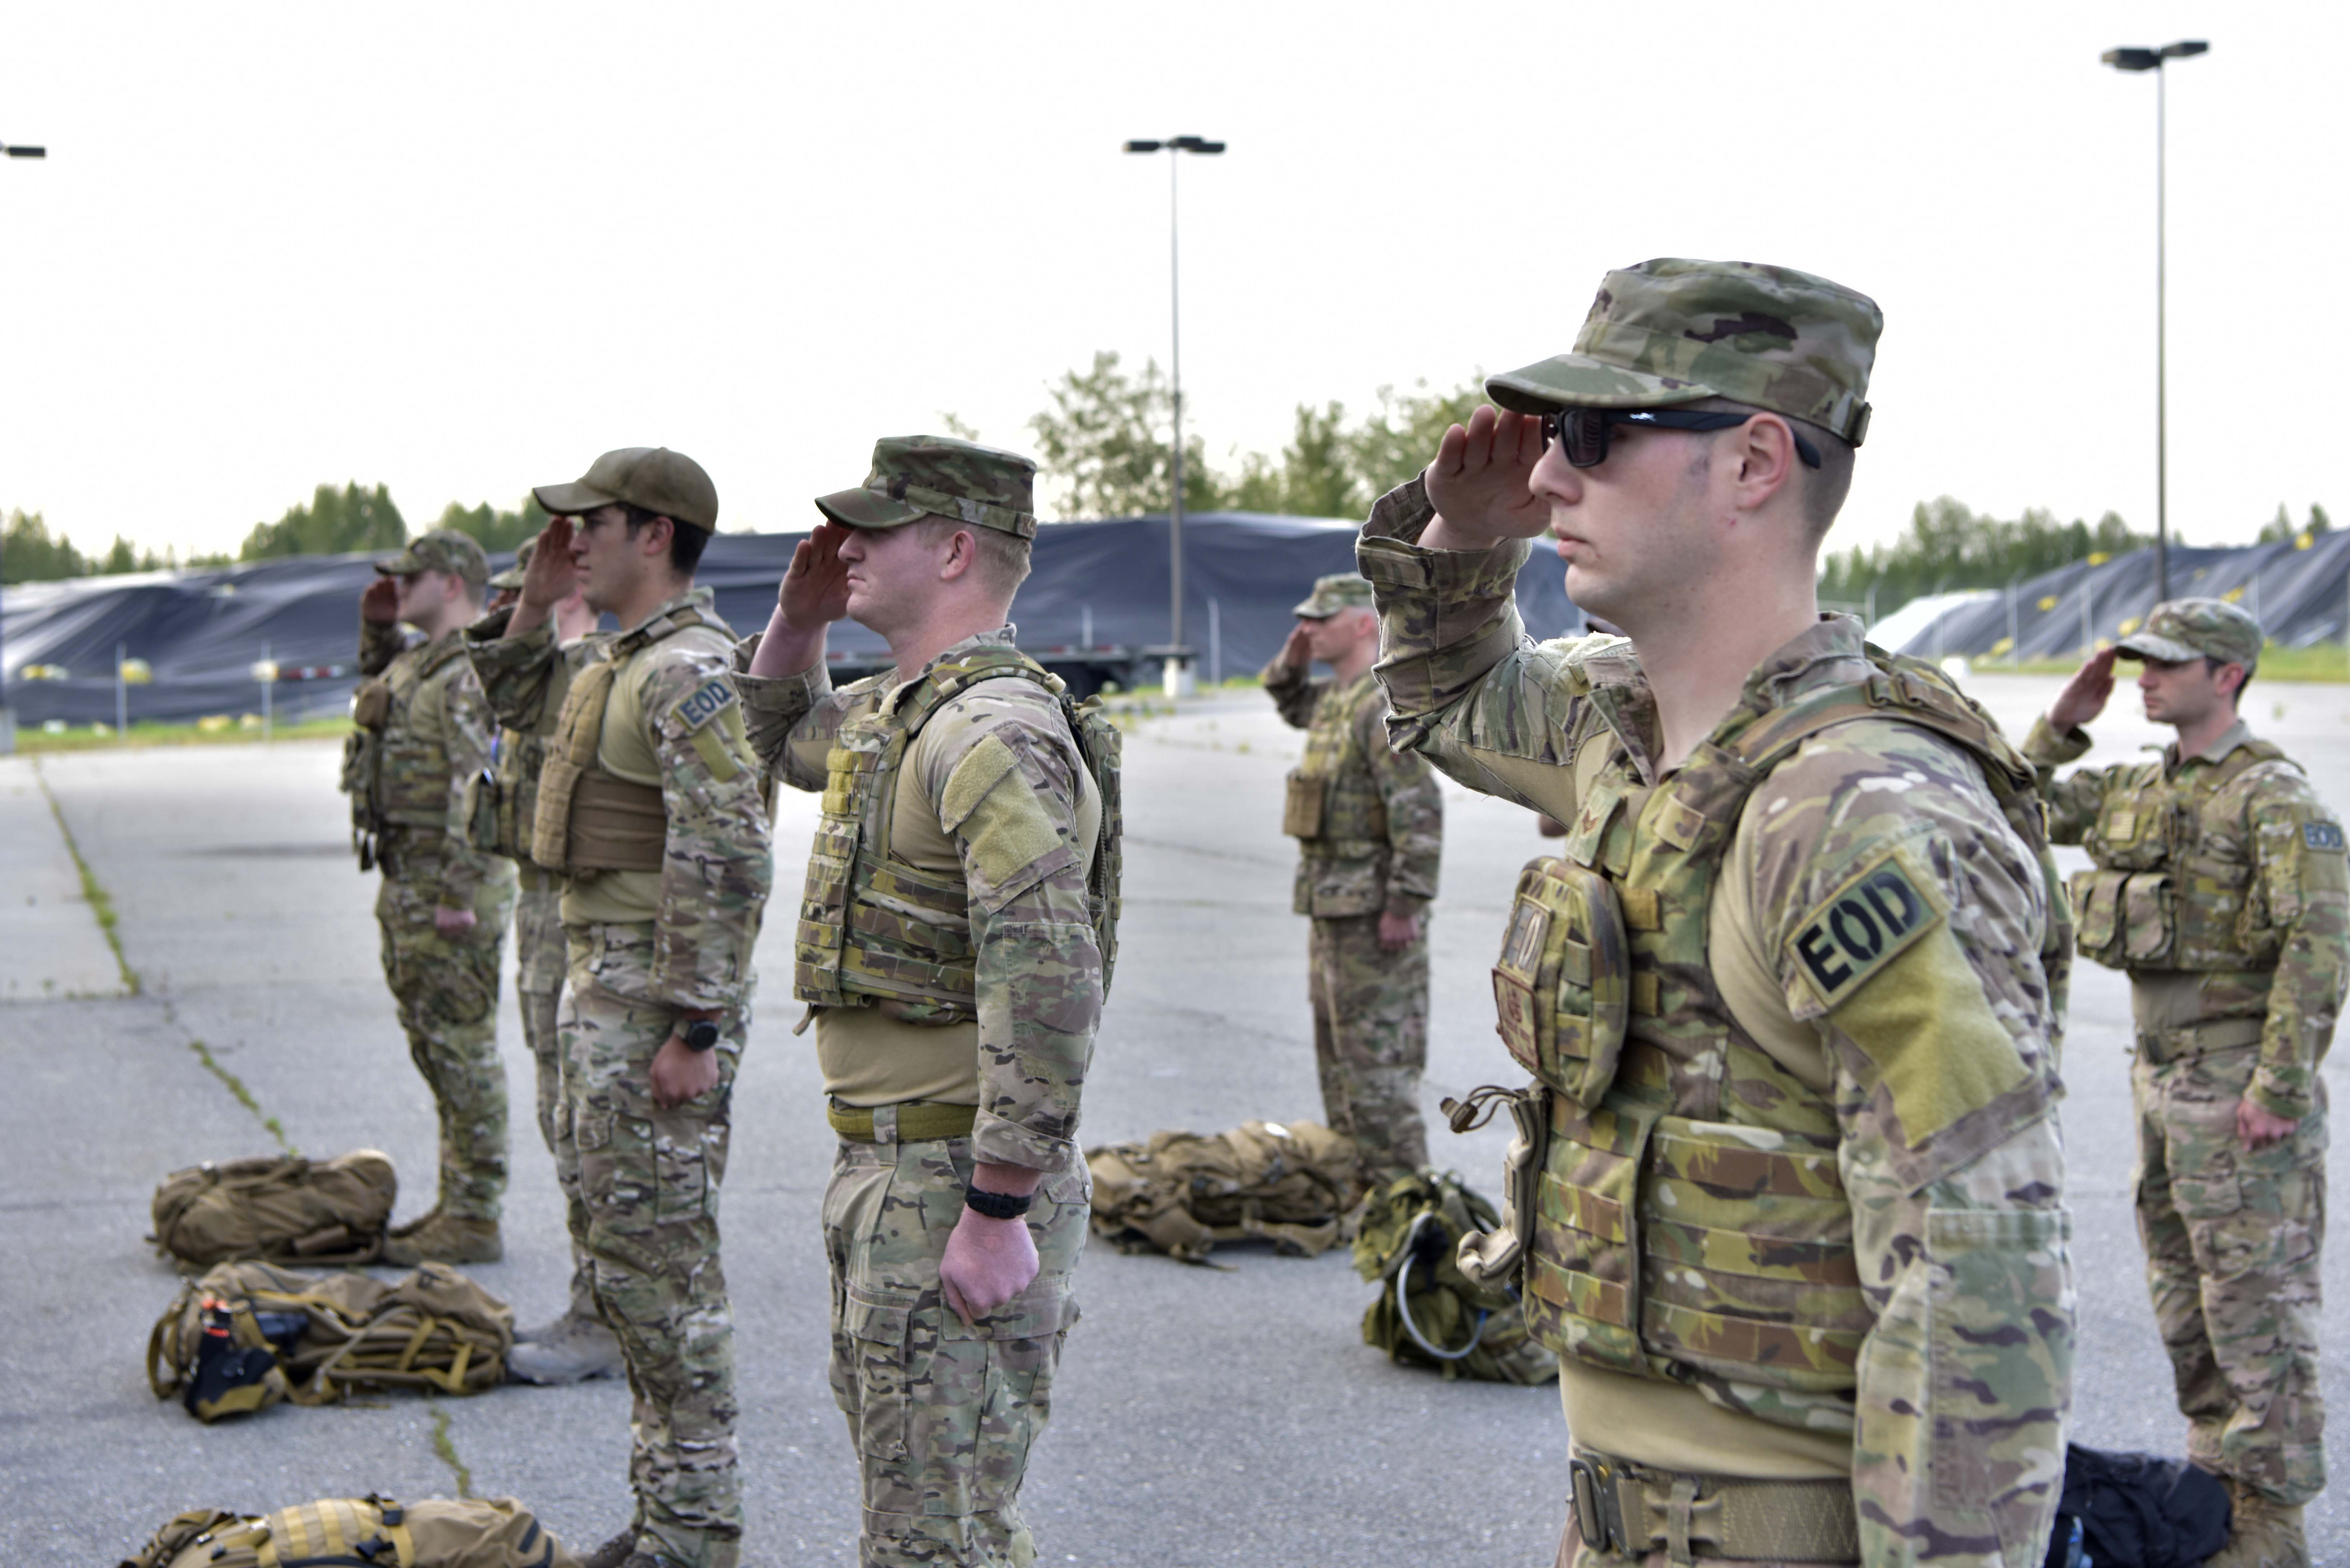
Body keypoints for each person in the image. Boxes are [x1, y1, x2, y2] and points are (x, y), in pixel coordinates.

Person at [1358, 258, 2074, 1567]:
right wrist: (1464, 540)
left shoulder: (1857, 808)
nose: (1552, 479)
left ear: (1753, 465)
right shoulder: (1622, 722)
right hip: (1618, 1519)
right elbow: (1449, 702)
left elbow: (1980, 1279)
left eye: (1595, 437)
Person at [736, 435, 1114, 1568]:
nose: (842, 545)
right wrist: (797, 623)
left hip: (952, 1174)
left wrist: (998, 1205)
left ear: (954, 549)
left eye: (872, 529)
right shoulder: (904, 708)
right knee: (917, 1516)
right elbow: (776, 740)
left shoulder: (989, 730)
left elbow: (1047, 966)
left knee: (937, 1534)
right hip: (890, 1167)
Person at [469, 447, 771, 1568]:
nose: (570, 540)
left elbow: (728, 852)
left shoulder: (688, 669)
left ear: (656, 534)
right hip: (608, 981)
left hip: (652, 998)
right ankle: (666, 1521)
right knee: (630, 1263)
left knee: (667, 1277)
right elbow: (506, 701)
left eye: (589, 524)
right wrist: (539, 600)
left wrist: (695, 1024)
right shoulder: (607, 656)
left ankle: (693, 1534)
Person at [2027, 599, 2346, 1568]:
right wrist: (2062, 721)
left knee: (2257, 1311)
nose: (2144, 676)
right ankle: (2220, 1496)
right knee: (2185, 1304)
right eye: (2139, 663)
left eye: (2168, 663)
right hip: (2158, 1082)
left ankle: (2272, 1527)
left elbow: (2320, 942)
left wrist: (2279, 1087)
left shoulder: (2272, 797)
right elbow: (2012, 800)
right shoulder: (2138, 785)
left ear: (2228, 676)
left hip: (2235, 1083)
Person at [343, 527, 518, 1267]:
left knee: (463, 1048)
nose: (396, 586)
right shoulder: (422, 661)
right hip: (406, 876)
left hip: (448, 886)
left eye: (408, 578)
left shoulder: (469, 669)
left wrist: (457, 889)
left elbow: (475, 784)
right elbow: (379, 692)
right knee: (434, 1044)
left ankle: (476, 1213)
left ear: (450, 583)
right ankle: (456, 1204)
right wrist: (377, 624)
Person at [469, 537, 621, 1383]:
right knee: (560, 1118)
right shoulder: (545, 681)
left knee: (594, 1128)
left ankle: (610, 1315)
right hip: (539, 914)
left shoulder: (599, 672)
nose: (509, 607)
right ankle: (591, 1299)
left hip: (582, 922)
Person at [1261, 572, 1441, 1183]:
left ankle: (1409, 1202)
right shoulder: (1334, 700)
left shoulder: (1379, 705)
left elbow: (1419, 813)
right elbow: (1287, 700)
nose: (1306, 627)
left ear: (1364, 624)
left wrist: (1405, 905)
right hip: (1331, 909)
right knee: (1338, 1062)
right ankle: (1360, 1195)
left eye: (1320, 619)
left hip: (1372, 917)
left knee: (1379, 1072)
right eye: (1304, 618)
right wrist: (1293, 656)